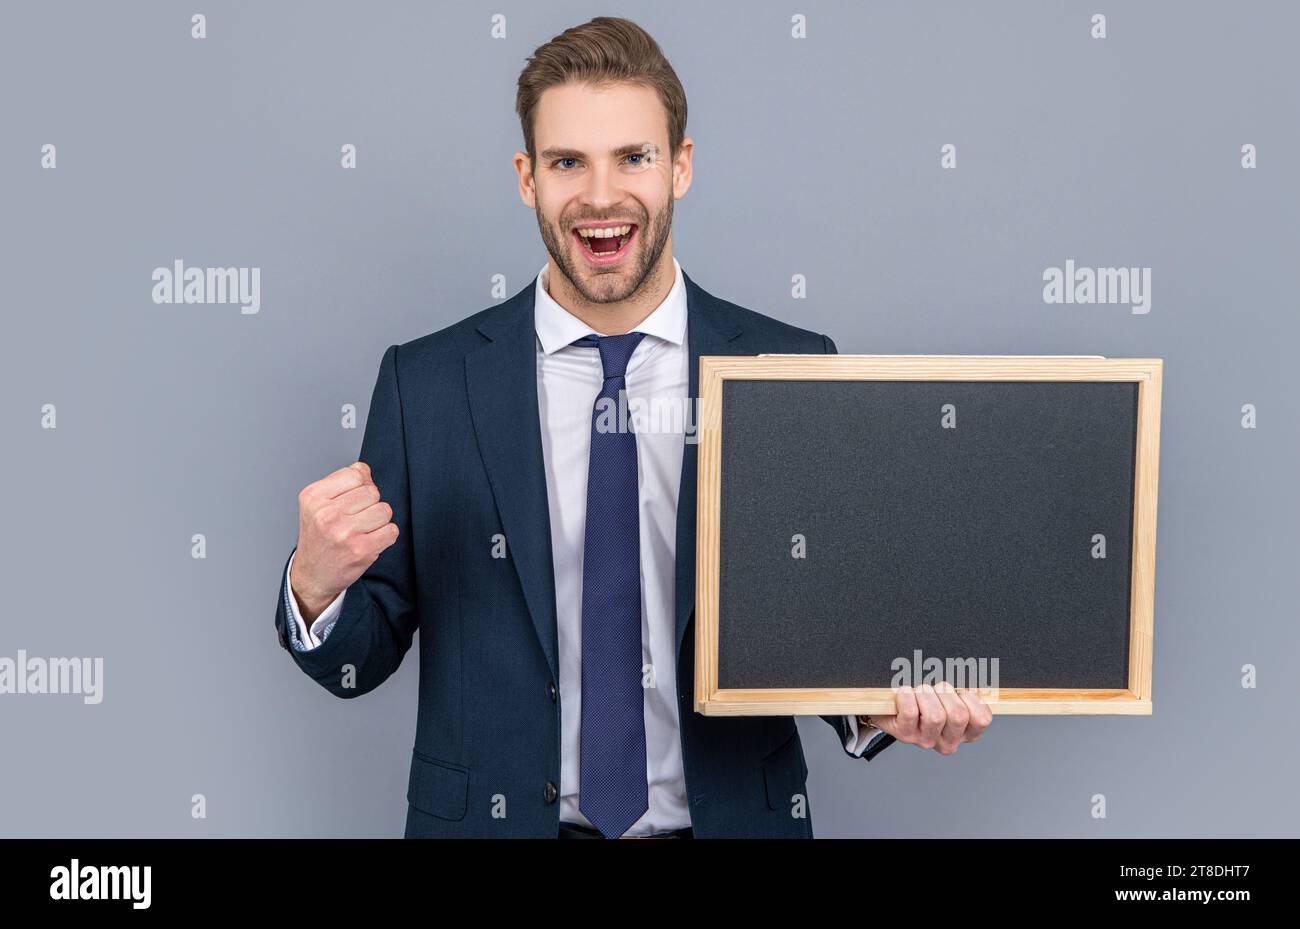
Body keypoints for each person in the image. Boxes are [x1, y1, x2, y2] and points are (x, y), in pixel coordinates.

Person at [274, 16, 991, 839]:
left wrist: (883, 708)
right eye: (568, 161)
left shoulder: (787, 367)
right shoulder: (427, 384)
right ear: (526, 178)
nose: (602, 195)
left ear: (680, 166)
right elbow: (358, 659)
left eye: (634, 157)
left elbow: (827, 627)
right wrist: (317, 585)